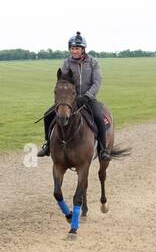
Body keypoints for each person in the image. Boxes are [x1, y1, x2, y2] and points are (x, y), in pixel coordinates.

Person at [38, 31, 107, 160]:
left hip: (88, 99)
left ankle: (103, 150)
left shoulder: (93, 62)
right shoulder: (66, 63)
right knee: (47, 116)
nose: (74, 51)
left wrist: (87, 96)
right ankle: (48, 145)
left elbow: (97, 82)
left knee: (99, 118)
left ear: (83, 49)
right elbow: (63, 82)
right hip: (69, 100)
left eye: (77, 48)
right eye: (72, 48)